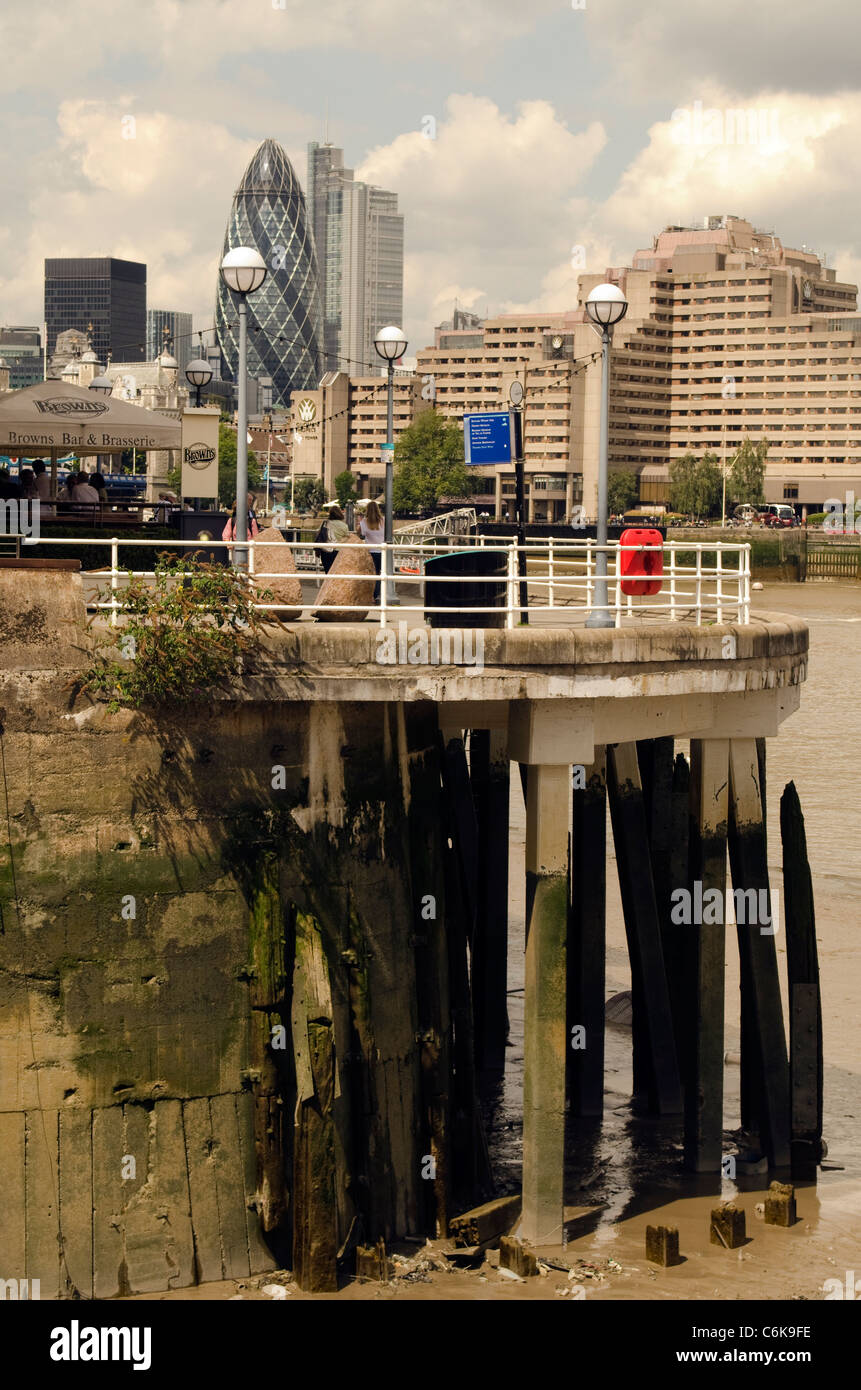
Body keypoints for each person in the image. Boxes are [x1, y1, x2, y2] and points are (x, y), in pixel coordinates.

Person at [357, 500, 384, 602]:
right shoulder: (384, 520)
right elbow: (391, 533)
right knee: (382, 574)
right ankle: (379, 594)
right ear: (378, 509)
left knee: (373, 574)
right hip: (382, 551)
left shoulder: (364, 522)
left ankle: (373, 595)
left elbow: (359, 533)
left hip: (370, 552)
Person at [314, 505, 350, 574]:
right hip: (338, 551)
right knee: (336, 573)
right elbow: (347, 538)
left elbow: (319, 535)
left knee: (327, 572)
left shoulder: (325, 523)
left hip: (326, 551)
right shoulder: (344, 526)